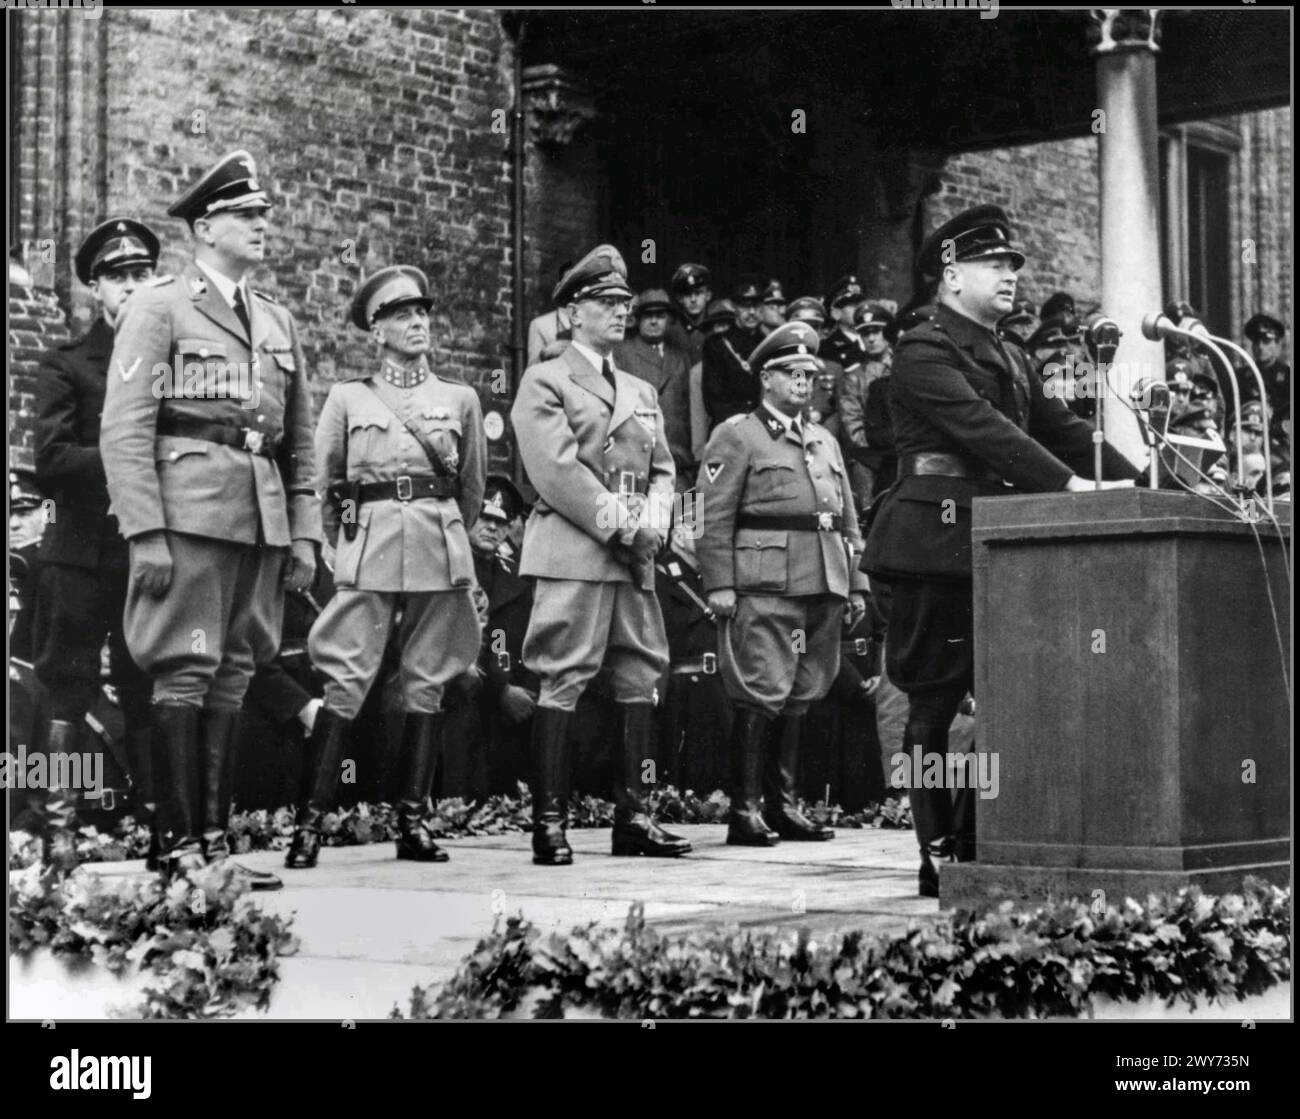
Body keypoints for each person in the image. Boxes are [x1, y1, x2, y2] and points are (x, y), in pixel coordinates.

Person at [860, 204, 1141, 898]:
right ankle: (939, 849)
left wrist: (1145, 478)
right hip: (934, 544)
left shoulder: (1012, 352)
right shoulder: (923, 347)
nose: (1011, 275)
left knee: (1013, 696)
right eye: (995, 264)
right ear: (952, 275)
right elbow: (981, 429)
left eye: (1014, 264)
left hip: (1001, 543)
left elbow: (1063, 427)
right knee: (933, 699)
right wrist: (1068, 484)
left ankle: (980, 834)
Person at [100, 151, 321, 890]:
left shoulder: (276, 318)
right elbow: (125, 428)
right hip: (188, 517)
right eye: (246, 214)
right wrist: (145, 530)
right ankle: (176, 842)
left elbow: (300, 440)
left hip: (259, 521)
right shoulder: (158, 306)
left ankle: (215, 841)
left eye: (264, 212)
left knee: (234, 672)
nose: (263, 224)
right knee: (184, 671)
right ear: (204, 227)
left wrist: (306, 532)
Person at [285, 265, 485, 868]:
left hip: (437, 546)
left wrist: (447, 533)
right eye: (402, 314)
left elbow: (470, 490)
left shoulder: (461, 399)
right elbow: (325, 482)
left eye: (423, 312)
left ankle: (413, 823)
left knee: (427, 681)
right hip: (368, 549)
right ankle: (309, 825)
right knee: (346, 679)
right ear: (376, 329)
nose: (418, 322)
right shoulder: (349, 398)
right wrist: (341, 546)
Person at [510, 243, 691, 864]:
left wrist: (658, 520)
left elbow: (664, 467)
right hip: (576, 550)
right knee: (563, 676)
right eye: (607, 302)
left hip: (633, 555)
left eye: (625, 303)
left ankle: (634, 818)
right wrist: (626, 524)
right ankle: (550, 821)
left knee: (642, 677)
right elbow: (556, 472)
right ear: (573, 312)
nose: (622, 312)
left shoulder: (641, 388)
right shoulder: (546, 378)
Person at [698, 320, 868, 846]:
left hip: (822, 579)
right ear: (766, 379)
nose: (803, 381)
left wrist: (856, 582)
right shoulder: (736, 434)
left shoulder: (823, 440)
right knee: (760, 687)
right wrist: (718, 583)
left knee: (802, 690)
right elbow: (706, 513)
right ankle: (745, 810)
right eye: (791, 372)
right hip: (763, 581)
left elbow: (848, 518)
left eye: (809, 373)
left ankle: (784, 805)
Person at [33, 219, 161, 856]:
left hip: (144, 554)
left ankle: (159, 825)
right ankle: (58, 830)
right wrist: (130, 454)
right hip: (78, 554)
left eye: (142, 274)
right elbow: (52, 458)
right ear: (95, 289)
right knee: (67, 685)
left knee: (145, 684)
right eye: (118, 277)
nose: (132, 287)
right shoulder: (65, 365)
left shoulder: (170, 368)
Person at [438, 475, 538, 799]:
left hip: (502, 712)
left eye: (502, 522)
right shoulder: (449, 566)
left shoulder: (516, 577)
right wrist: (500, 687)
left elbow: (505, 638)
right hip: (457, 696)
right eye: (485, 518)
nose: (492, 528)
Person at [654, 491, 730, 795]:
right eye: (704, 527)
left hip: (718, 689)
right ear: (682, 532)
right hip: (682, 694)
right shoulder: (662, 577)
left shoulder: (712, 578)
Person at [615, 288, 695, 486]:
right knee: (644, 516)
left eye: (660, 316)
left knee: (688, 516)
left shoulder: (680, 356)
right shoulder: (621, 353)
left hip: (681, 461)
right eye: (647, 316)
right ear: (638, 320)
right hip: (639, 461)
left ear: (669, 320)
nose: (653, 321)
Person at [839, 301, 896, 512]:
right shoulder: (853, 377)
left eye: (876, 331)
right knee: (862, 469)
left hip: (906, 446)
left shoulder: (905, 364)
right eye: (865, 334)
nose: (871, 338)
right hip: (873, 453)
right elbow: (853, 426)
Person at [701, 276, 766, 430]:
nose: (752, 312)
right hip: (729, 426)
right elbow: (713, 399)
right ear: (734, 307)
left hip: (763, 427)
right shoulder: (717, 345)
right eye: (745, 306)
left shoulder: (767, 343)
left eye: (756, 306)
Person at [688, 298, 737, 462]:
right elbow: (698, 419)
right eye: (718, 326)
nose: (723, 332)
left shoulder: (750, 364)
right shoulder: (698, 372)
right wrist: (701, 457)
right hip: (718, 448)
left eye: (728, 326)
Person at [1243, 312, 1289, 436]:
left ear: (1278, 344)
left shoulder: (1288, 376)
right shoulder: (1241, 377)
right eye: (1256, 342)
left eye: (1266, 341)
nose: (1261, 347)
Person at [526, 261, 575, 366]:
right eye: (569, 283)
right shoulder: (540, 325)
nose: (573, 289)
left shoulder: (592, 324)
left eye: (578, 284)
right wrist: (546, 353)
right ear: (559, 286)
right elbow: (532, 371)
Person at [820, 275, 868, 376]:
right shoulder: (828, 348)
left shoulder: (874, 339)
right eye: (852, 305)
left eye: (861, 303)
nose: (859, 308)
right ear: (836, 313)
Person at [666, 262, 712, 366]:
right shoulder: (669, 331)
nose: (693, 299)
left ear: (708, 295)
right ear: (679, 298)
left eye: (698, 293)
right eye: (687, 294)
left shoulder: (716, 328)